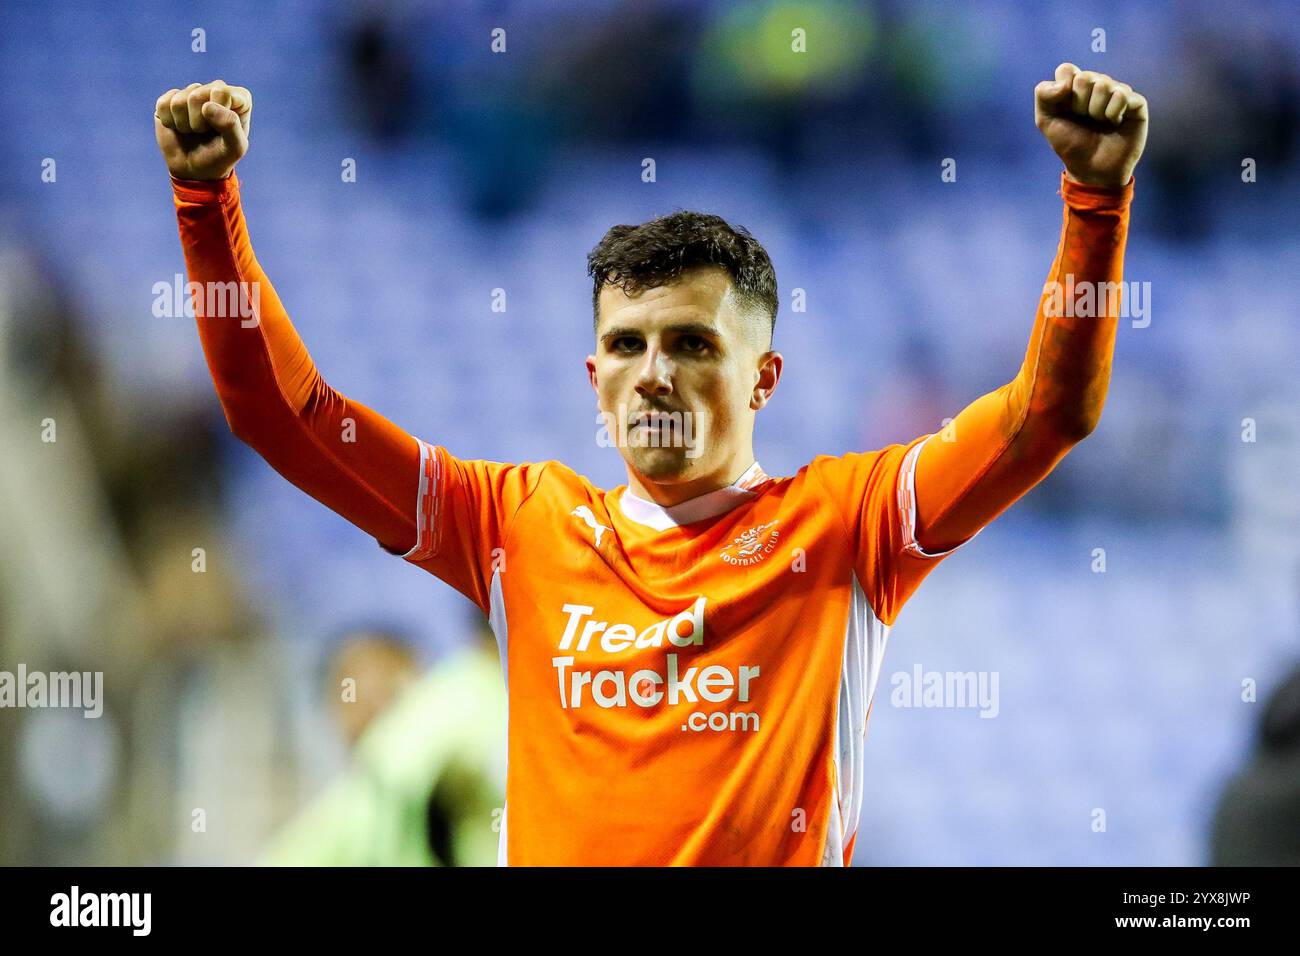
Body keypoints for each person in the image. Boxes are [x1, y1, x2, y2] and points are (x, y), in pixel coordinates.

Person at [155, 63, 1147, 865]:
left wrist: (1093, 204)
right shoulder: (517, 524)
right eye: (626, 345)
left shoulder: (848, 525)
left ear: (764, 376)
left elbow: (1046, 412)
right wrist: (206, 205)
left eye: (692, 343)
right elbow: (279, 412)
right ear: (593, 374)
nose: (653, 373)